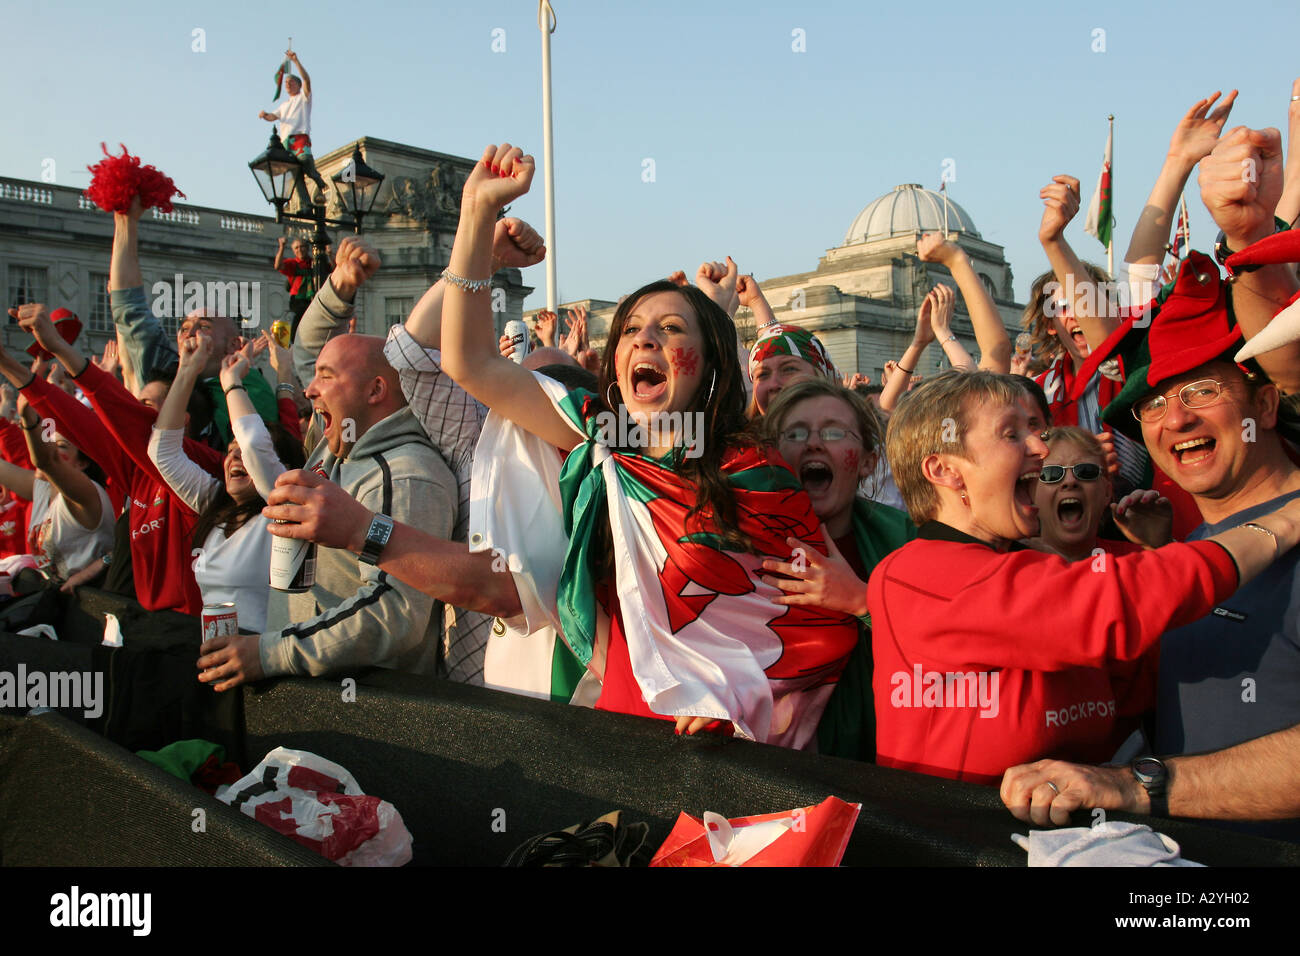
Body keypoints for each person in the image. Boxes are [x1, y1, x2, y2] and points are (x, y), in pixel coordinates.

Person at [436, 141, 857, 747]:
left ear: (710, 365)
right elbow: (469, 361)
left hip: (731, 747)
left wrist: (738, 695)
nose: (644, 341)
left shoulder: (755, 471)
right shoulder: (606, 438)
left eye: (671, 329)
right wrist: (475, 214)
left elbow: (822, 623)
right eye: (631, 329)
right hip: (619, 729)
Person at [1001, 213, 1300, 837]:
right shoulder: (1185, 555)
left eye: (1200, 393)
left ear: (1266, 405)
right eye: (1155, 405)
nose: (1176, 421)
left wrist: (1136, 784)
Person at [869, 369, 1300, 785]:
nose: (1040, 447)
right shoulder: (919, 573)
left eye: (1034, 430)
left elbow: (1134, 687)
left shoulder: (1035, 568)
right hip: (960, 846)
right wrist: (1280, 525)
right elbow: (1117, 602)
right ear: (944, 470)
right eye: (1011, 434)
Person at [196, 333, 458, 691]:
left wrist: (270, 653)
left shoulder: (405, 474)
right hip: (313, 697)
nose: (309, 390)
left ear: (375, 390)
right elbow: (309, 334)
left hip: (364, 714)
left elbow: (395, 613)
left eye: (326, 376)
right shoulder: (334, 452)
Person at [2, 304, 222, 613]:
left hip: (190, 631)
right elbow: (80, 424)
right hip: (143, 625)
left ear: (181, 419)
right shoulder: (137, 472)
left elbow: (120, 413)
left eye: (145, 405)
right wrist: (8, 364)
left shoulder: (206, 467)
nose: (134, 409)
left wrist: (61, 347)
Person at [757, 379, 914, 759]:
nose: (813, 442)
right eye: (794, 433)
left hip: (891, 756)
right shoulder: (743, 543)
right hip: (784, 765)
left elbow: (943, 650)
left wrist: (863, 602)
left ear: (867, 461)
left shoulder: (904, 538)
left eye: (833, 432)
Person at [148, 334, 304, 633]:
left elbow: (254, 442)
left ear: (281, 468)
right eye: (230, 451)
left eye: (242, 453)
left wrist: (232, 382)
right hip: (216, 658)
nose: (235, 457)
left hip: (264, 661)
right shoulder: (214, 505)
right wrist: (187, 369)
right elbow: (162, 452)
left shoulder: (284, 511)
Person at [109, 196, 278, 445]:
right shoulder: (165, 372)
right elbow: (129, 309)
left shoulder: (251, 389)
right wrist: (126, 221)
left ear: (233, 345)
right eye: (185, 327)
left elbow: (251, 448)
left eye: (205, 326)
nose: (190, 332)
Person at [258, 50, 329, 210]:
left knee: (305, 159)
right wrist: (264, 115)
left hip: (300, 137)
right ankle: (306, 204)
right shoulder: (283, 106)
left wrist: (296, 62)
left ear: (298, 85)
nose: (288, 85)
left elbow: (307, 79)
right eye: (286, 83)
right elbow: (272, 117)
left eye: (291, 82)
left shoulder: (304, 98)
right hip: (286, 142)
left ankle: (315, 176)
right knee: (296, 175)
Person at [273, 236, 317, 337]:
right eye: (296, 248)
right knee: (299, 316)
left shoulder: (314, 263)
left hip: (312, 297)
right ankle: (293, 340)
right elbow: (277, 266)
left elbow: (332, 268)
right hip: (297, 298)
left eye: (302, 247)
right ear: (293, 251)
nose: (299, 250)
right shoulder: (293, 263)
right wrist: (282, 247)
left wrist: (329, 254)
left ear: (307, 248)